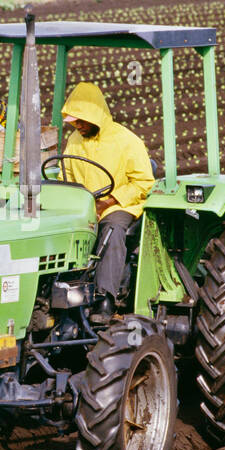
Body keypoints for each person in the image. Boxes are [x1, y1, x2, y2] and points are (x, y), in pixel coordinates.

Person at [59, 82, 155, 319]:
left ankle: (105, 299)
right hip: (85, 204)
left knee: (111, 231)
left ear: (95, 116)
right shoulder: (74, 140)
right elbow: (66, 177)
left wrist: (108, 202)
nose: (77, 125)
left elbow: (143, 183)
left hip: (121, 205)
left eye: (81, 121)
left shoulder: (127, 141)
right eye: (73, 121)